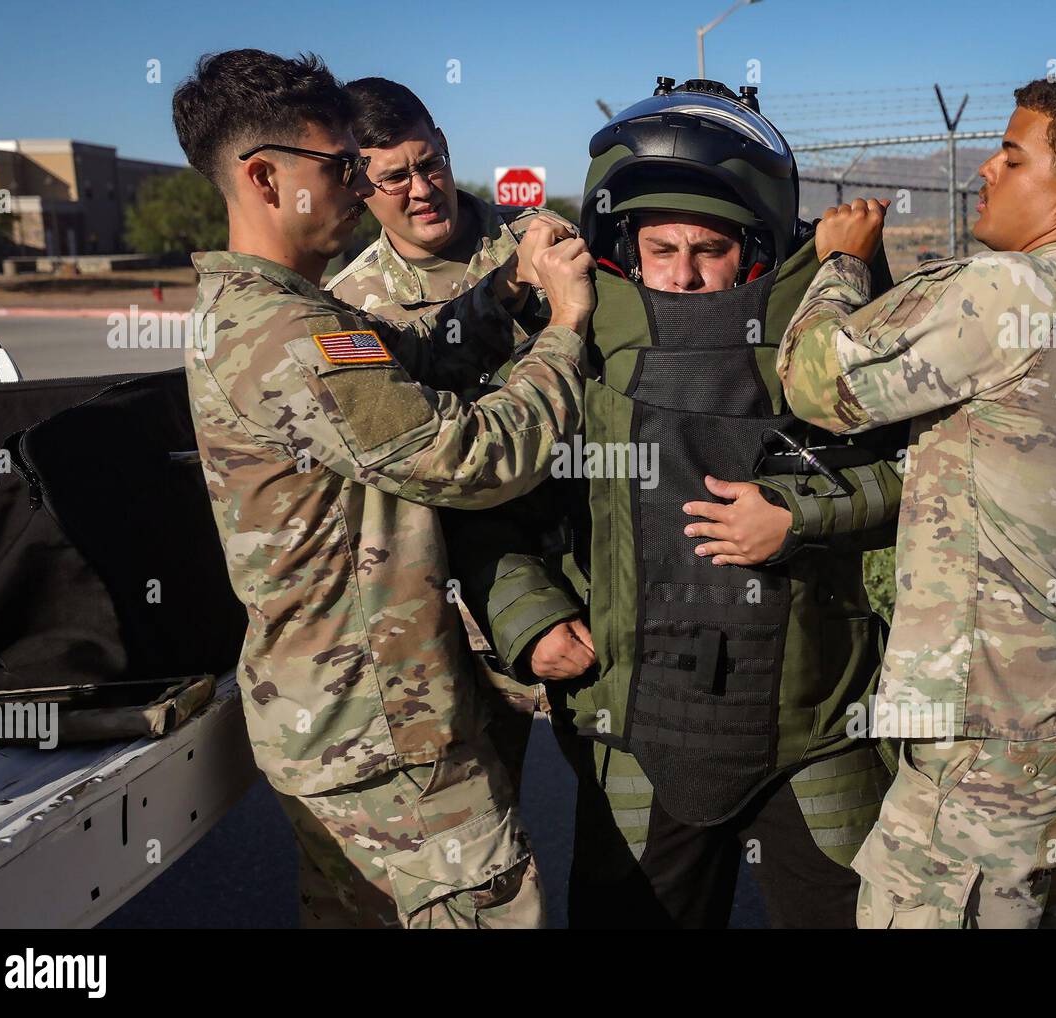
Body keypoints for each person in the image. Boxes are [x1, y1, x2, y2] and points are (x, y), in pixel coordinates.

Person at [453, 78, 906, 928]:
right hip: (634, 728)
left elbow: (919, 481)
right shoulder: (571, 352)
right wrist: (530, 622)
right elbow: (487, 510)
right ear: (625, 246)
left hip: (814, 729)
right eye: (664, 249)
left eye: (713, 249)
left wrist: (796, 516)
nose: (688, 274)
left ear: (759, 247)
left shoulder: (826, 343)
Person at [172, 48, 595, 929]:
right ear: (264, 176)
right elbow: (468, 456)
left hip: (341, 724)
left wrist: (513, 289)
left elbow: (425, 361)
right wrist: (565, 328)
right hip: (384, 729)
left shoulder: (279, 310)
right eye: (339, 169)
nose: (358, 188)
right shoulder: (290, 333)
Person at [777, 71, 1056, 928]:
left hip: (990, 724)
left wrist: (837, 261)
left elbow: (817, 381)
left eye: (1010, 154)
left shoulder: (1012, 291)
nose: (985, 169)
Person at [325, 77, 576, 791]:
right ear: (357, 184)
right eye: (393, 176)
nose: (422, 188)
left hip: (588, 574)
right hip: (461, 616)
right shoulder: (352, 307)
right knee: (483, 816)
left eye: (429, 162)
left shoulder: (540, 243)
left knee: (625, 818)